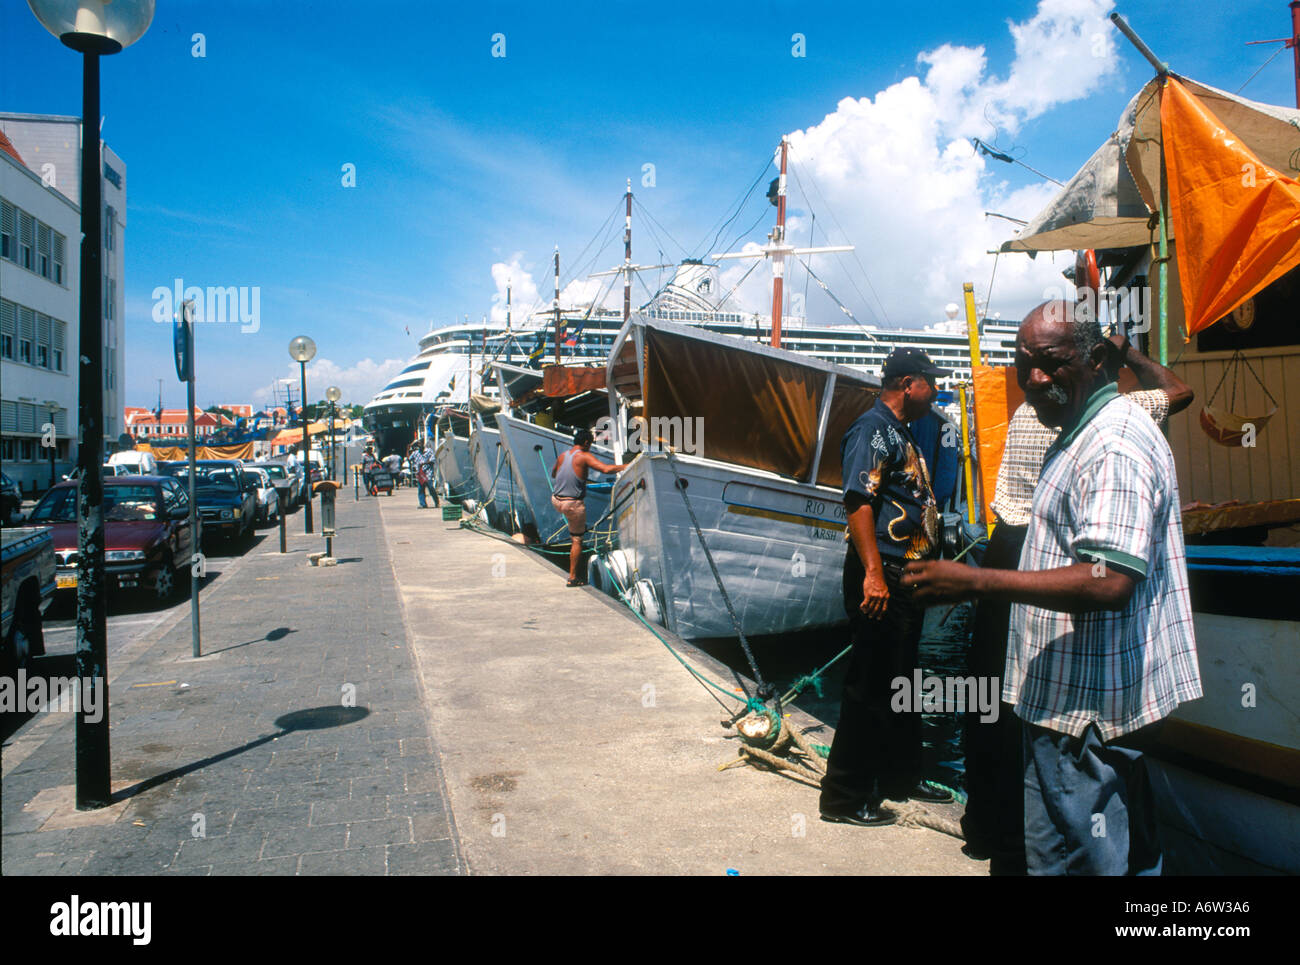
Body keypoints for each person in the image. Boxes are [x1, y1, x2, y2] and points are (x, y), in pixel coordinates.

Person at [906, 301, 1202, 875]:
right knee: (1119, 846)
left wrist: (973, 581)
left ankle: (991, 834)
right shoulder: (1073, 425)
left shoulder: (1113, 442)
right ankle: (993, 831)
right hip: (1088, 689)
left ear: (1095, 360)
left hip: (1085, 704)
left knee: (1076, 852)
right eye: (1024, 363)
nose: (1035, 377)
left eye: (1051, 362)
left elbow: (1110, 578)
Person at [819, 347, 953, 829]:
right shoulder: (872, 429)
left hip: (907, 577)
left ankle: (899, 776)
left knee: (903, 682)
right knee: (870, 685)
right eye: (930, 383)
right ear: (909, 383)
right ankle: (843, 797)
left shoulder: (903, 433)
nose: (935, 392)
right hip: (883, 577)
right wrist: (874, 574)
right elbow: (859, 502)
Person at [551, 428, 627, 587]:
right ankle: (572, 577)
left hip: (556, 500)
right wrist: (626, 465)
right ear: (586, 443)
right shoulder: (584, 456)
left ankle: (573, 567)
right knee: (577, 539)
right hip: (572, 503)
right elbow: (605, 469)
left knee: (575, 531)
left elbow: (553, 474)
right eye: (590, 444)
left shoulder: (563, 456)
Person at [410, 440, 438, 508]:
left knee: (431, 488)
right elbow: (410, 458)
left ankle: (436, 501)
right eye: (418, 445)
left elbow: (432, 460)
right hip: (420, 474)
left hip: (428, 473)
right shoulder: (415, 453)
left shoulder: (429, 451)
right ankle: (423, 504)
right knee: (421, 489)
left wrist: (424, 463)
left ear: (423, 444)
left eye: (420, 444)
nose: (419, 446)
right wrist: (409, 448)